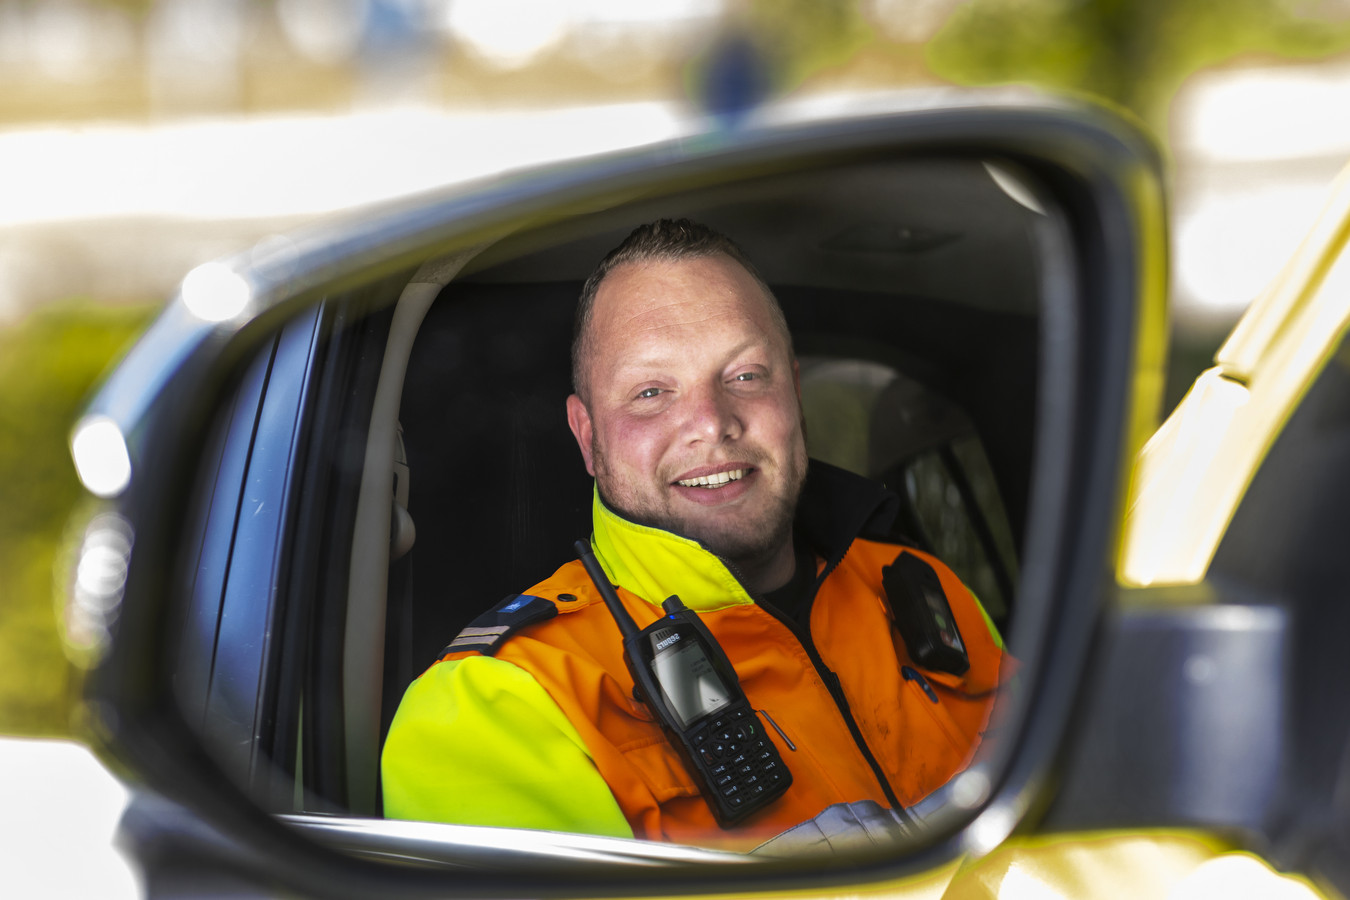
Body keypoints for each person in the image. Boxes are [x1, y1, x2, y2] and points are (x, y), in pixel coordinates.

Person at [381, 219, 1008, 851]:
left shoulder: (924, 589)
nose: (710, 424)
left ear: (793, 392)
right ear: (588, 437)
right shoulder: (495, 711)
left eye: (744, 375)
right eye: (651, 392)